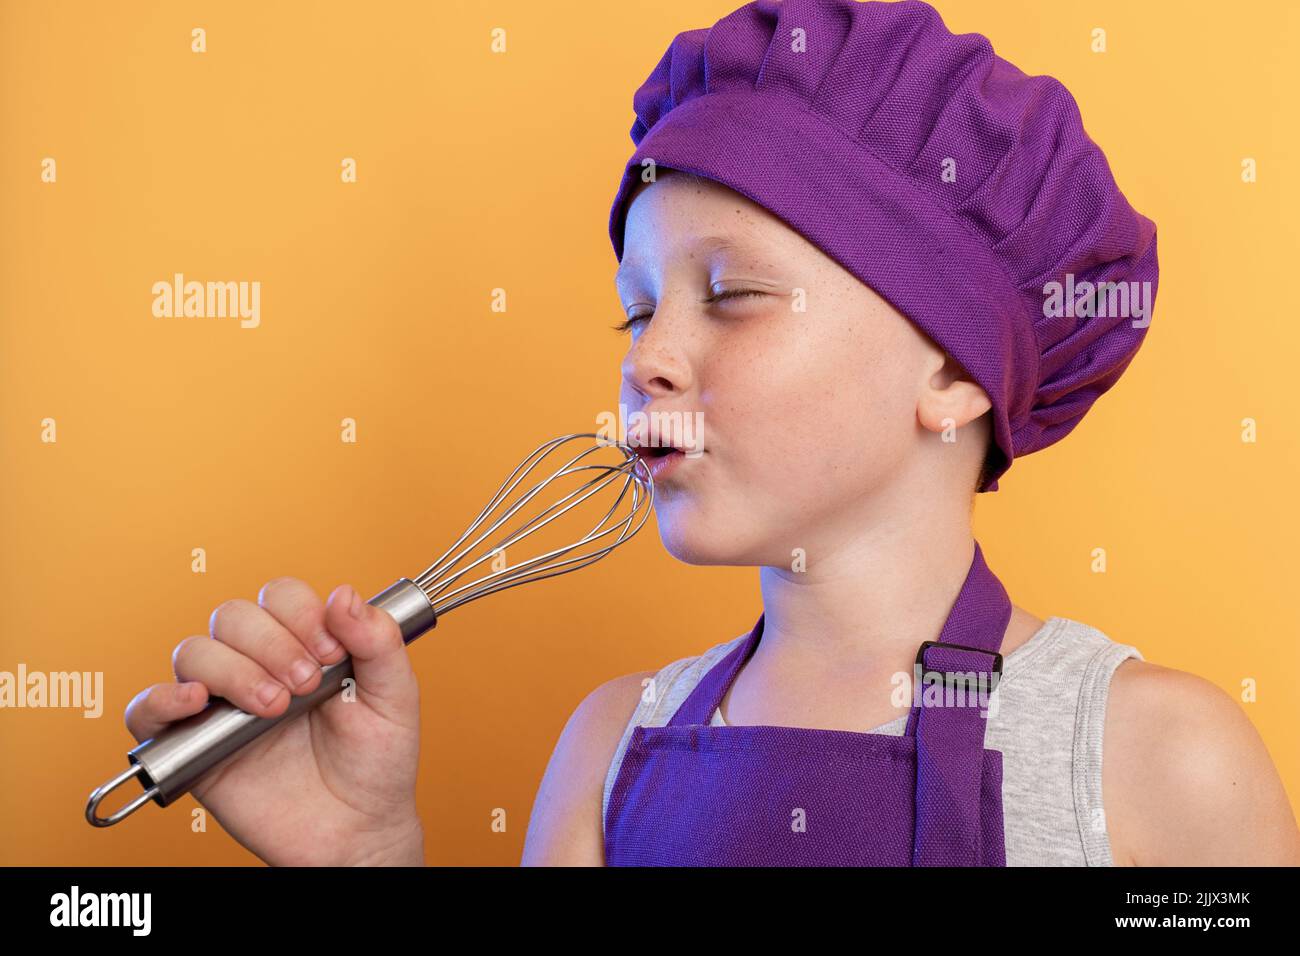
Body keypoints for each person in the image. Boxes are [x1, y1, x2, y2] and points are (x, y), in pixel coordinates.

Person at [123, 0, 1299, 866]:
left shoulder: (1150, 756)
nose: (647, 356)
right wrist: (363, 854)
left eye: (729, 294)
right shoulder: (609, 748)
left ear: (951, 371)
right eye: (635, 309)